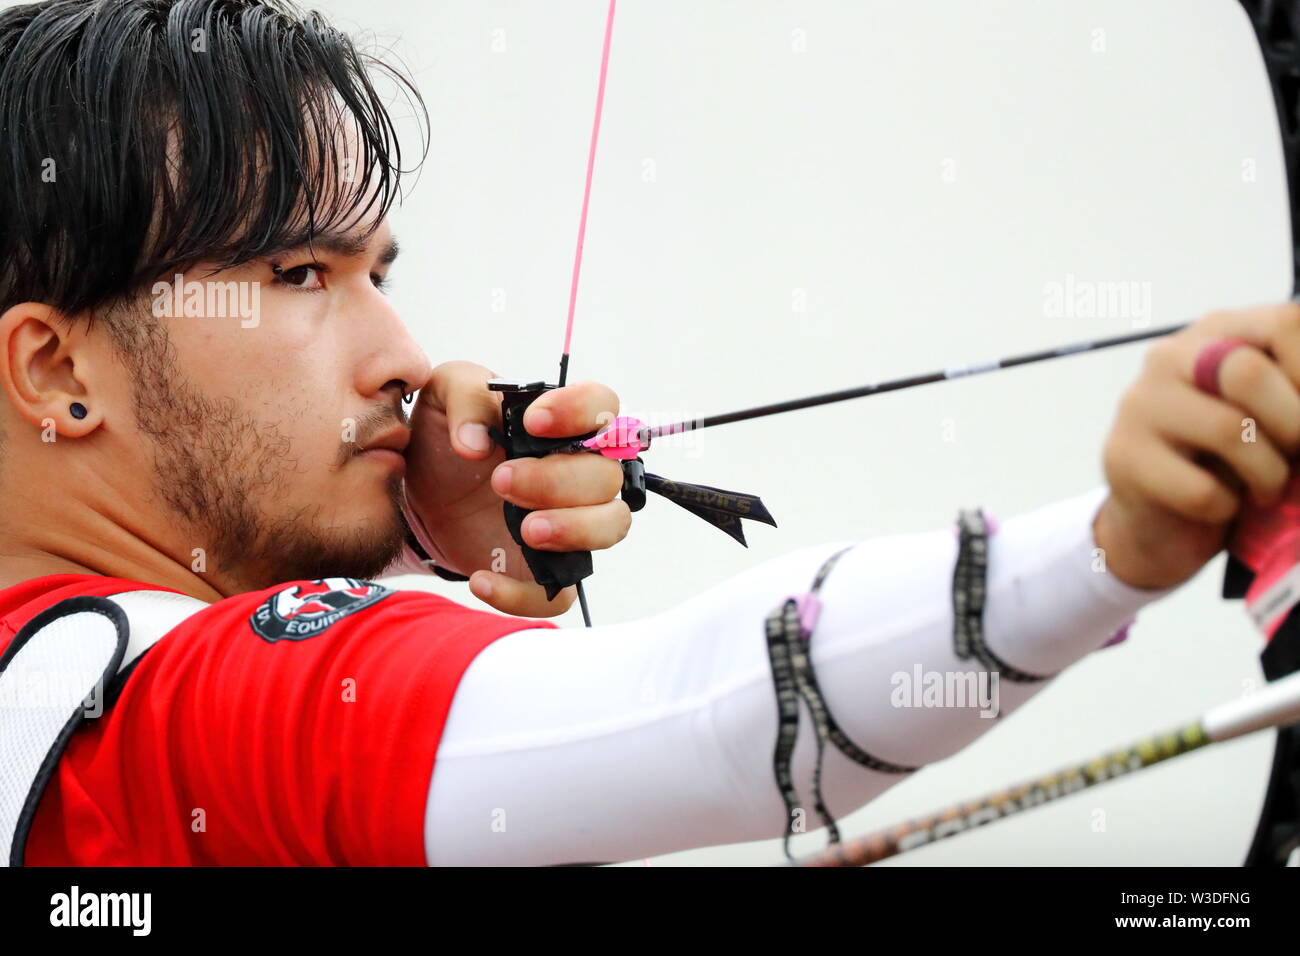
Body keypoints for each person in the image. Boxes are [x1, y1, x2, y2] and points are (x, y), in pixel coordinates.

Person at [0, 0, 1293, 866]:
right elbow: (713, 716)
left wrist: (406, 559)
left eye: (378, 273)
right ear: (57, 372)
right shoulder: (152, 718)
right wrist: (1123, 543)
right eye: (297, 276)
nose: (400, 355)